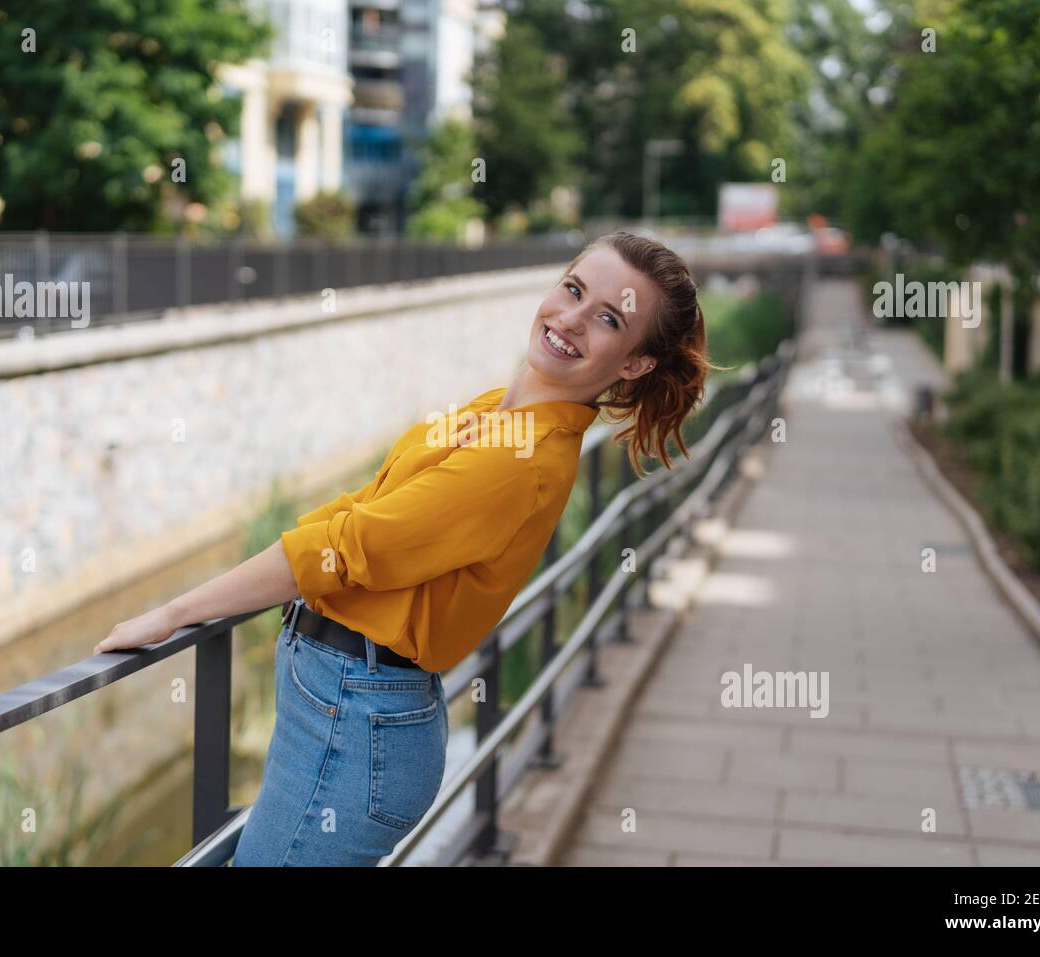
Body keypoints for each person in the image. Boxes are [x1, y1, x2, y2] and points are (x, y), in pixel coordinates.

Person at [92, 230, 714, 865]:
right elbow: (365, 503)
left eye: (608, 319)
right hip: (348, 710)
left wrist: (173, 614)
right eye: (574, 289)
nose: (572, 319)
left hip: (354, 721)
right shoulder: (499, 415)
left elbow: (348, 547)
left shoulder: (517, 460)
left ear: (634, 363)